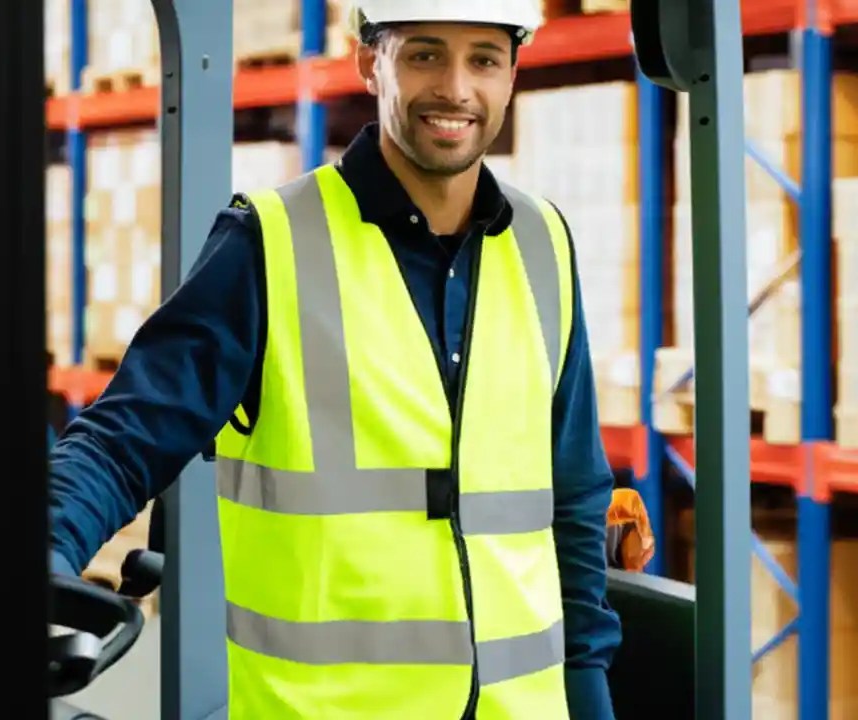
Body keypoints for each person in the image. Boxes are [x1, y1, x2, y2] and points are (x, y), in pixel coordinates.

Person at [48, 0, 621, 716]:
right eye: (424, 55)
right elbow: (123, 438)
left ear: (511, 76)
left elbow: (573, 496)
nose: (456, 88)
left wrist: (588, 691)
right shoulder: (270, 244)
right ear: (369, 61)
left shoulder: (544, 244)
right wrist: (48, 547)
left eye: (483, 59)